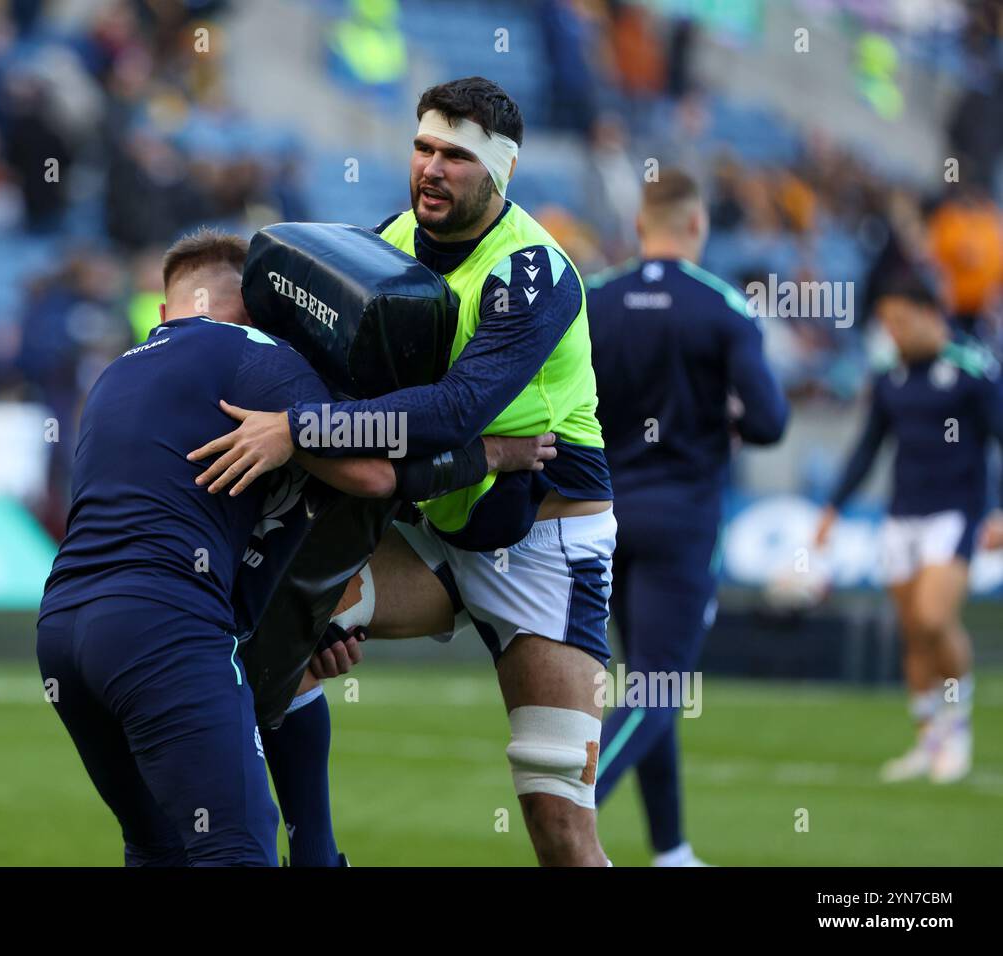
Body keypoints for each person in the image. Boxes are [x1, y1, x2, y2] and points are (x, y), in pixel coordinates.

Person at [191, 77, 616, 866]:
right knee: (276, 631)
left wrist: (299, 432)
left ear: (502, 172)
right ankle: (312, 853)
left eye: (456, 156)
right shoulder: (382, 245)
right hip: (436, 528)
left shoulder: (533, 272)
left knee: (559, 825)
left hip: (544, 546)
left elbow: (455, 409)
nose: (431, 168)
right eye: (423, 147)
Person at [36, 227, 554, 865]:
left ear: (165, 313)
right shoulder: (256, 354)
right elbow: (365, 473)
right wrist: (492, 453)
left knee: (157, 848)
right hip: (163, 626)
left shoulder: (116, 375)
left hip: (62, 631)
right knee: (237, 848)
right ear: (258, 307)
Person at [587, 170, 788, 866]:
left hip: (603, 514)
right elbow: (769, 420)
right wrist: (726, 417)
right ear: (697, 226)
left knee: (647, 679)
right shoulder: (723, 307)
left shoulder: (596, 299)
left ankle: (671, 851)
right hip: (683, 516)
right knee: (662, 682)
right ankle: (572, 811)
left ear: (641, 227)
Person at [815, 272, 1003, 784]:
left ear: (928, 314)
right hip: (902, 515)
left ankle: (957, 727)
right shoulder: (889, 375)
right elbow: (869, 446)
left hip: (956, 512)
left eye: (900, 321)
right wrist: (833, 508)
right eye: (886, 323)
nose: (892, 332)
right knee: (913, 633)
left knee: (934, 617)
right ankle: (928, 738)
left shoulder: (972, 369)